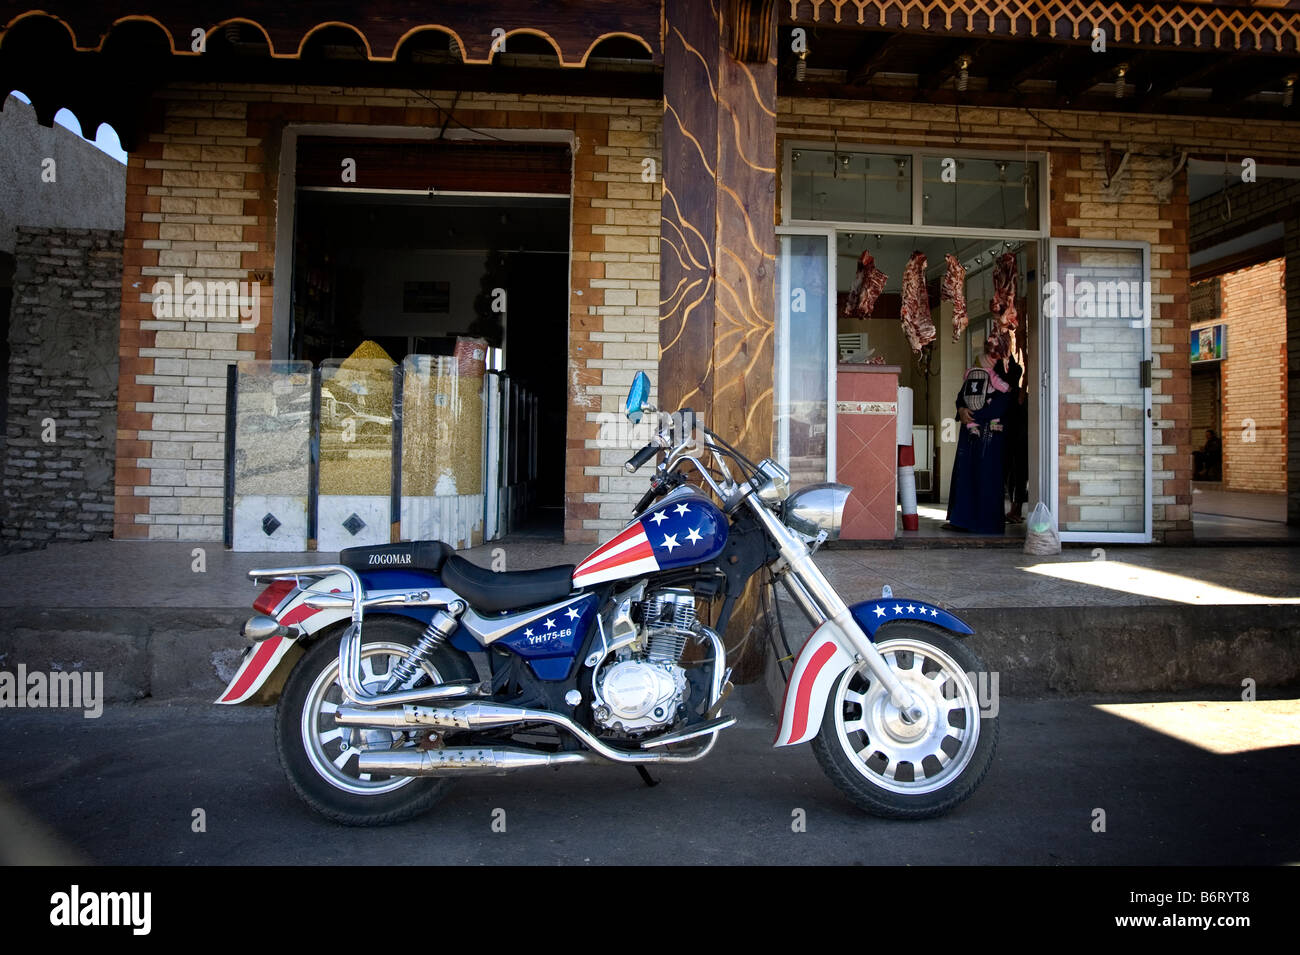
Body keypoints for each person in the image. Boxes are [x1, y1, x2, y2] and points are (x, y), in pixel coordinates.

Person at [945, 337, 1013, 535]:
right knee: (965, 474)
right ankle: (962, 520)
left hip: (990, 434)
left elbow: (1004, 402)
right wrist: (961, 410)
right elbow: (962, 395)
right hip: (970, 433)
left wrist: (974, 415)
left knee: (986, 475)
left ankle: (985, 523)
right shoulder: (976, 370)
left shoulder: (1006, 371)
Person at [1002, 353, 1029, 523]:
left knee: (1012, 474)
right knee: (1020, 474)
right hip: (1022, 437)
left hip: (1011, 438)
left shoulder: (1006, 395)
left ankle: (1014, 510)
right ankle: (1015, 509)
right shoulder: (1022, 396)